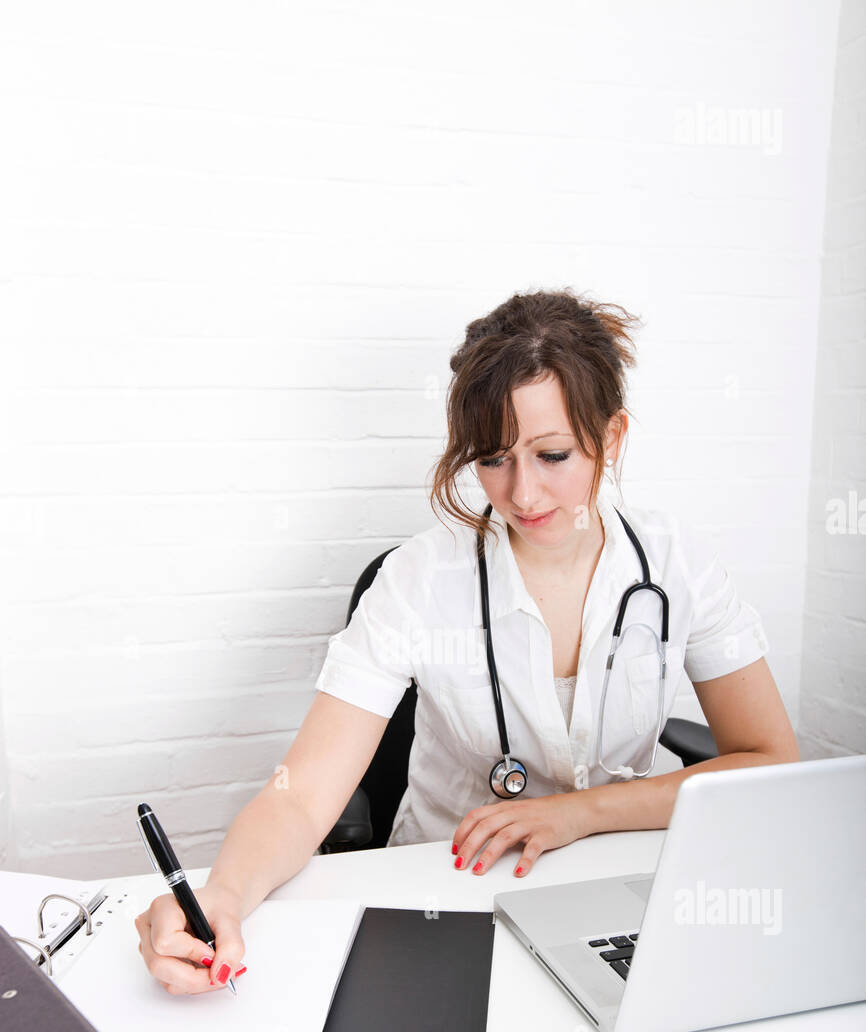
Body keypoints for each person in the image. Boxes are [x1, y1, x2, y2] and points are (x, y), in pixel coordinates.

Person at [135, 289, 799, 994]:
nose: (523, 494)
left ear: (612, 437)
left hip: (624, 885)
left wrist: (578, 814)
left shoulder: (677, 566)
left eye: (553, 455)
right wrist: (225, 896)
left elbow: (770, 760)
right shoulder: (422, 579)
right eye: (492, 459)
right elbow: (299, 798)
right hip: (448, 895)